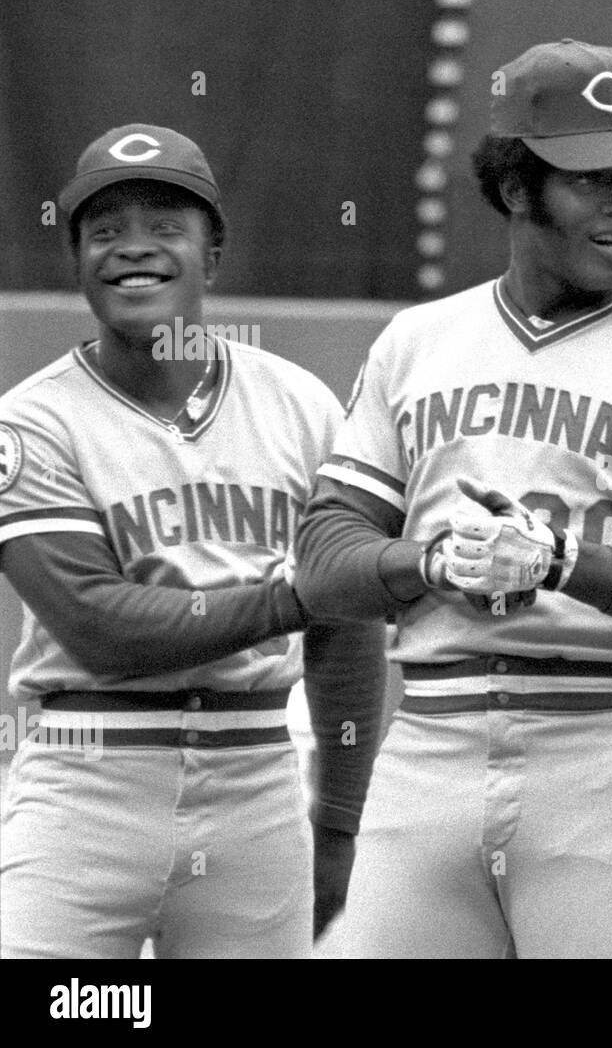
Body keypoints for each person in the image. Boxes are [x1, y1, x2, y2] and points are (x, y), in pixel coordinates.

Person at [294, 39, 612, 959]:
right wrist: (427, 561)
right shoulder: (417, 342)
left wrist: (564, 561)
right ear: (518, 187)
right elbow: (322, 562)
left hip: (610, 746)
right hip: (431, 740)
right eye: (596, 178)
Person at [0, 124, 386, 958]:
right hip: (88, 778)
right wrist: (293, 595)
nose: (134, 249)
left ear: (212, 255)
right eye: (104, 231)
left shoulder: (300, 406)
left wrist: (342, 825)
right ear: (76, 259)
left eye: (166, 226)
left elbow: (348, 633)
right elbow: (103, 627)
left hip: (255, 780)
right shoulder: (32, 422)